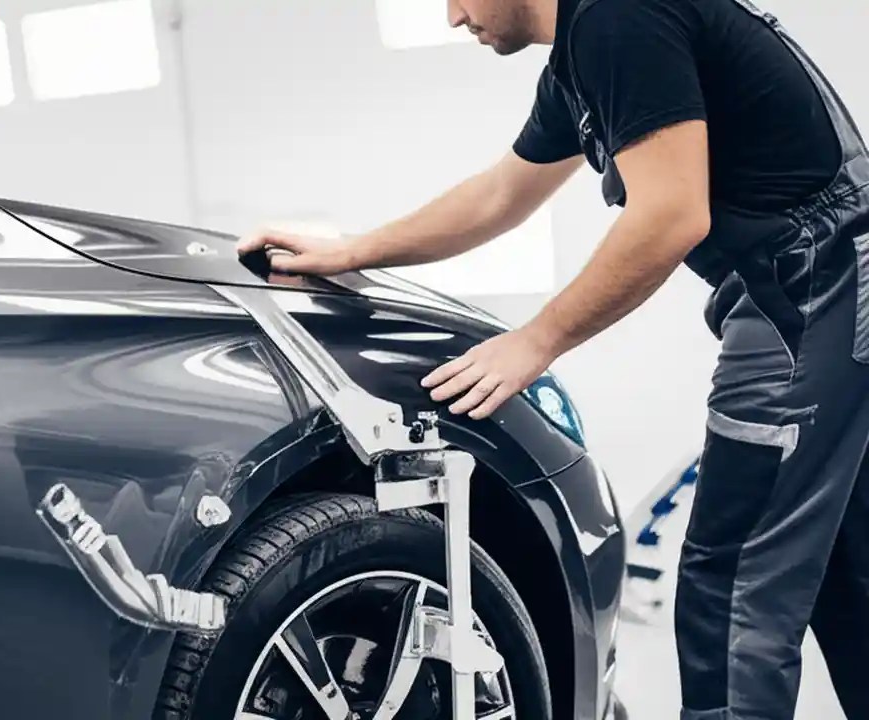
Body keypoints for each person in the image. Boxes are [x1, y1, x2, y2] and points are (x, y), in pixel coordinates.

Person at [236, 1, 869, 718]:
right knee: (850, 577)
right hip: (825, 285)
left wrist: (534, 341)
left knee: (731, 586)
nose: (451, 17)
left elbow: (670, 212)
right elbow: (500, 194)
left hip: (819, 290)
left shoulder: (617, 18)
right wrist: (351, 251)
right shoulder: (583, 54)